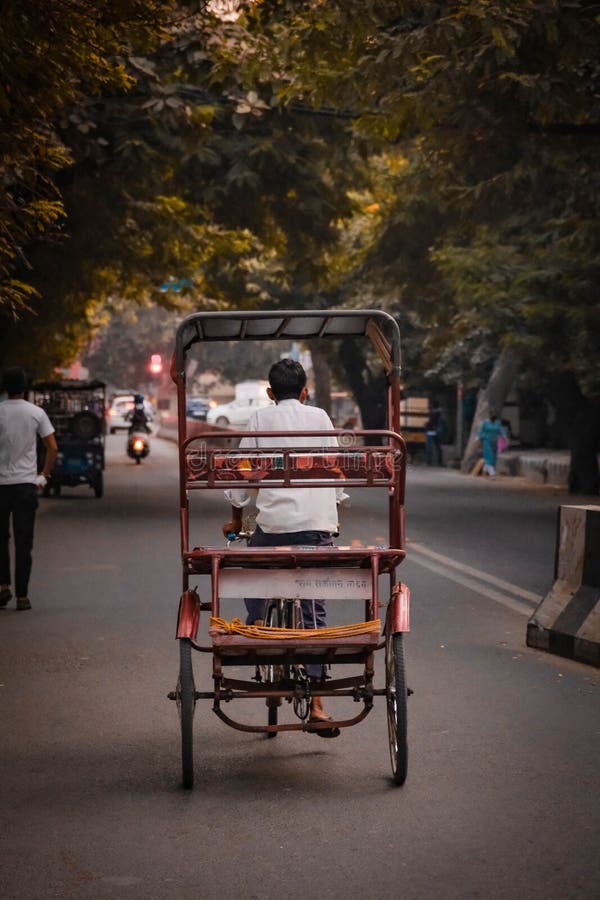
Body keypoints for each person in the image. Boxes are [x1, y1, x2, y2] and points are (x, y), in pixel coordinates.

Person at [222, 358, 349, 737]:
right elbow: (335, 470)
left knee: (256, 568)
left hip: (274, 528)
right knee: (314, 612)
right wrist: (331, 507)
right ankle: (319, 705)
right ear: (306, 392)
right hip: (316, 531)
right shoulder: (322, 417)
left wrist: (235, 516)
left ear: (270, 393)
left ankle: (259, 621)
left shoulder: (261, 418)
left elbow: (243, 472)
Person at [0, 367, 57, 611]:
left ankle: (3, 586)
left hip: (1, 486)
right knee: (24, 542)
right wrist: (43, 475)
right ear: (25, 388)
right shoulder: (36, 413)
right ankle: (22, 596)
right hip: (26, 486)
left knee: (1, 540)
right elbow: (52, 447)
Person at [477, 412, 508, 477]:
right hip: (486, 442)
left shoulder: (498, 423)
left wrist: (505, 437)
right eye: (492, 417)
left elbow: (501, 431)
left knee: (493, 458)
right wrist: (478, 440)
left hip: (494, 442)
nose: (493, 419)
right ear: (490, 416)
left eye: (495, 417)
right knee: (489, 457)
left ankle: (485, 470)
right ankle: (492, 474)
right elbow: (480, 431)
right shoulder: (484, 423)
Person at [424, 402, 447, 466]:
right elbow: (445, 425)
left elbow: (429, 423)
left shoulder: (431, 413)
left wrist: (426, 427)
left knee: (429, 448)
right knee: (438, 448)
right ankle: (440, 462)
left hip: (430, 432)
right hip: (438, 432)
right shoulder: (441, 414)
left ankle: (429, 462)